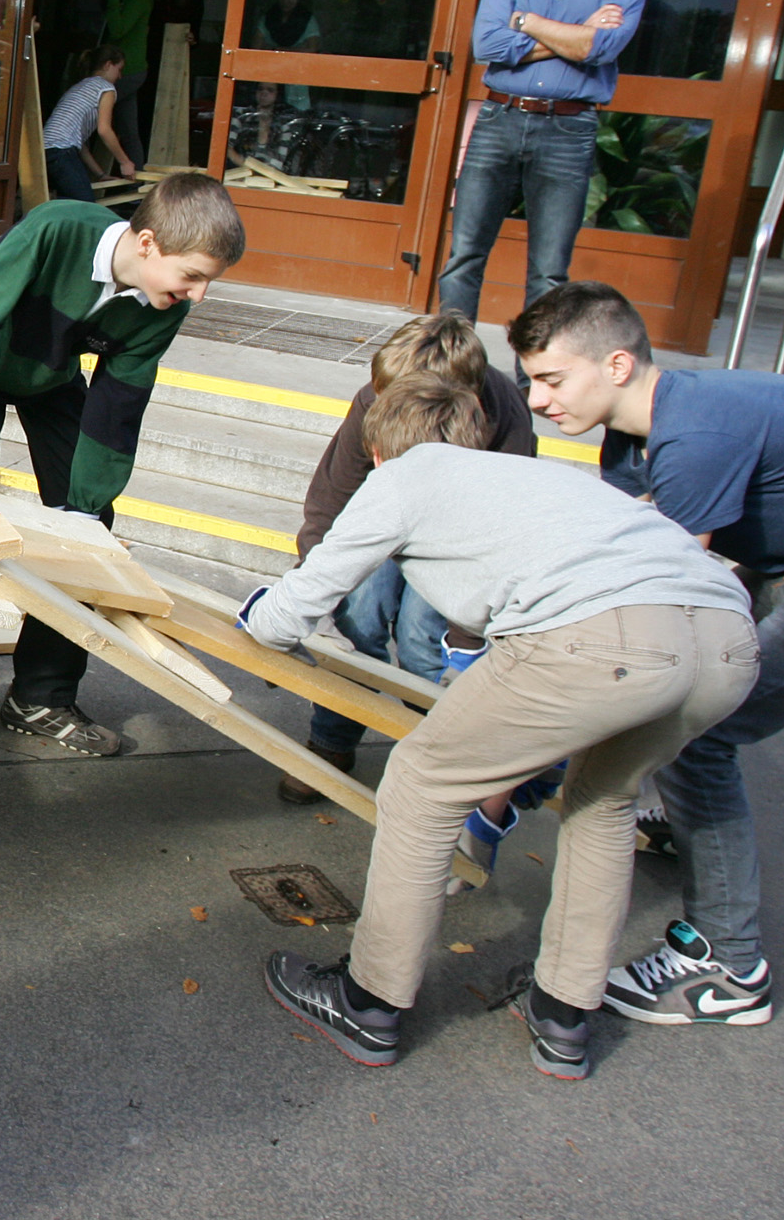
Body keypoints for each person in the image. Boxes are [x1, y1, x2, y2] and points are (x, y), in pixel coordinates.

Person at [243, 376, 758, 1080]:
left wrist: (256, 614)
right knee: (603, 800)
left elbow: (293, 608)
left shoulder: (409, 471)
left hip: (605, 635)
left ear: (376, 447)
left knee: (423, 782)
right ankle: (564, 1011)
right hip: (726, 639)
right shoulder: (535, 482)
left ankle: (367, 998)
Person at [509, 280, 784, 1026]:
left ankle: (732, 966)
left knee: (699, 731)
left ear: (616, 364)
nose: (538, 401)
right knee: (684, 705)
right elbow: (627, 541)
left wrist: (534, 739)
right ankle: (688, 822)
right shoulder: (635, 434)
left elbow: (658, 598)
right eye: (531, 380)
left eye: (551, 379)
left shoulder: (695, 436)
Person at [0, 176, 246, 758]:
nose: (200, 295)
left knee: (88, 531)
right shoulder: (57, 230)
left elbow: (117, 410)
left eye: (208, 281)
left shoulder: (162, 302)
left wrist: (83, 509)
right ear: (150, 244)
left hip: (51, 379)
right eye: (194, 276)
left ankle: (39, 696)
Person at [275, 313, 535, 806]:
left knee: (424, 637)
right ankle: (331, 745)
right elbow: (331, 499)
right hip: (384, 516)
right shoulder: (377, 393)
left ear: (460, 405)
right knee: (357, 616)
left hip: (458, 538)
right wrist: (314, 590)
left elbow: (498, 538)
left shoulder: (507, 419)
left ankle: (431, 763)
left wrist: (467, 641)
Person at [437, 0, 648, 321]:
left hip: (568, 128)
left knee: (549, 273)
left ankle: (533, 387)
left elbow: (600, 47)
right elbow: (487, 44)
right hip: (499, 119)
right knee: (463, 256)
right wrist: (572, 35)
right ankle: (451, 376)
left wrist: (525, 20)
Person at [40, 45, 134, 202]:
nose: (120, 76)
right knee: (85, 205)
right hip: (61, 152)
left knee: (65, 203)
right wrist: (125, 162)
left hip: (45, 151)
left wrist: (101, 175)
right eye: (119, 69)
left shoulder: (79, 87)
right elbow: (104, 130)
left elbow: (80, 145)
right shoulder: (106, 88)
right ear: (108, 65)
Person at [143, 0, 205, 157]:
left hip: (175, 63)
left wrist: (191, 39)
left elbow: (196, 35)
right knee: (146, 110)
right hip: (150, 58)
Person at [98, 0, 154, 181]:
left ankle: (92, 177)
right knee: (129, 131)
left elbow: (118, 29)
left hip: (126, 71)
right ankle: (136, 185)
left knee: (95, 120)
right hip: (126, 69)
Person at [253, 0, 321, 113]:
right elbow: (256, 46)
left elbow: (313, 49)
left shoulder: (307, 19)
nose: (285, 1)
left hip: (296, 77)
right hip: (269, 74)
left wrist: (279, 50)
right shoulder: (269, 17)